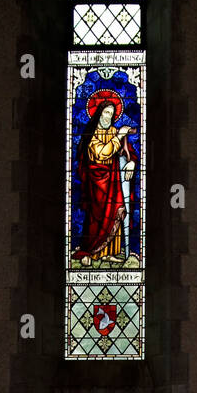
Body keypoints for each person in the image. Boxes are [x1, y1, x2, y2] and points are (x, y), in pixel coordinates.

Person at [71, 90, 137, 266]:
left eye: (112, 114)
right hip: (97, 183)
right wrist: (119, 136)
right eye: (106, 112)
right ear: (99, 113)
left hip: (114, 183)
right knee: (98, 216)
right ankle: (92, 251)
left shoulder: (115, 131)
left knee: (115, 212)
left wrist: (132, 163)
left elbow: (129, 152)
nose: (109, 116)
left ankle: (109, 253)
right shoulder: (92, 134)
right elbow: (101, 153)